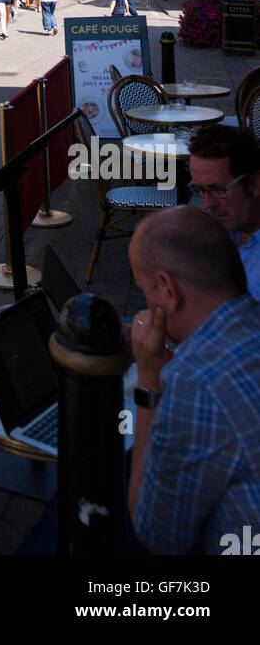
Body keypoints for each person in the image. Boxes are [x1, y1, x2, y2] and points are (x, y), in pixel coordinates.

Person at [127, 206, 260, 554]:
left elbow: (155, 534)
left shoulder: (195, 384)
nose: (147, 305)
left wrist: (150, 380)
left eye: (145, 289)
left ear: (169, 290)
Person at [188, 124, 260, 300]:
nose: (208, 203)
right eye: (200, 190)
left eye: (218, 190)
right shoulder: (219, 232)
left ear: (254, 183)